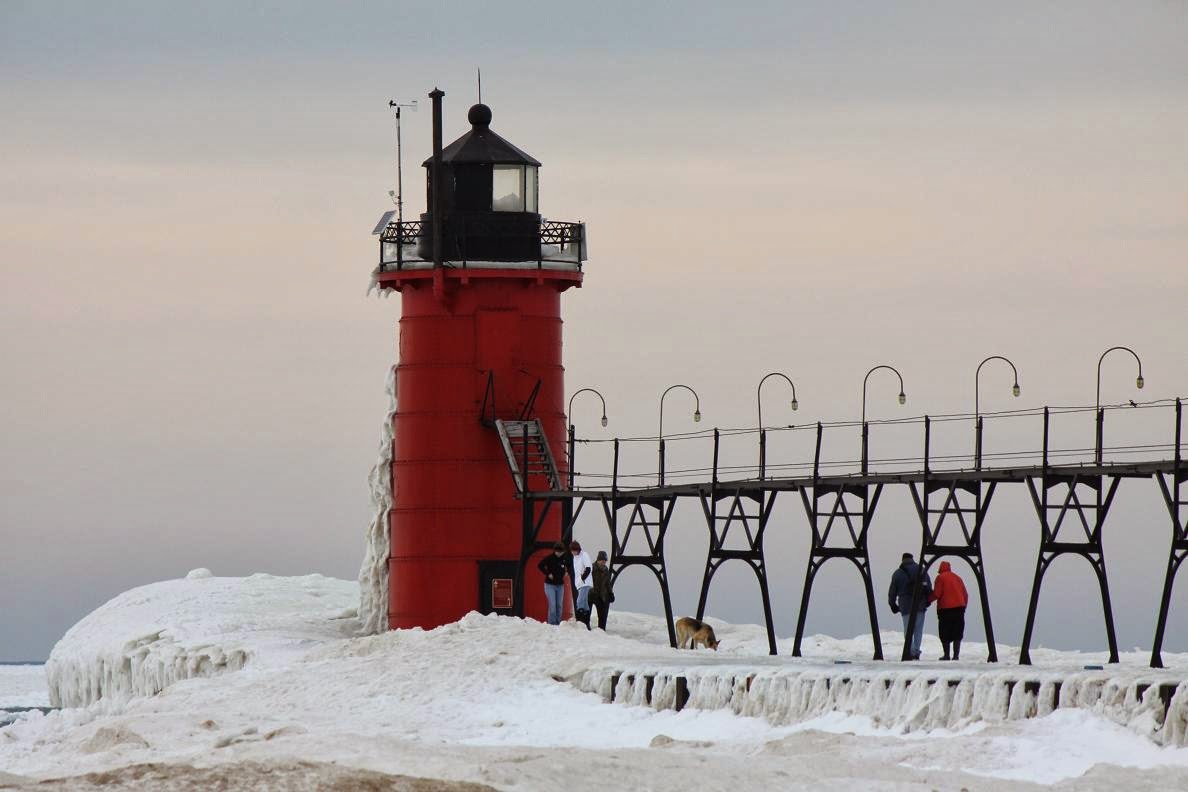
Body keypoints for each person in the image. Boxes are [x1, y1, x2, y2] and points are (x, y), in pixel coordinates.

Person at [888, 552, 931, 660]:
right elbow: (928, 586)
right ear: (912, 559)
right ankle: (916, 651)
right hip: (920, 604)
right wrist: (928, 600)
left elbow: (892, 592)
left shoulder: (897, 573)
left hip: (905, 605)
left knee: (908, 631)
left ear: (902, 560)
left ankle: (910, 651)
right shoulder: (921, 570)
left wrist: (892, 604)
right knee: (918, 629)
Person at [929, 560, 969, 660]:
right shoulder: (958, 578)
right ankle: (956, 656)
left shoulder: (940, 578)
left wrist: (928, 600)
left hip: (945, 609)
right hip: (959, 608)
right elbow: (965, 595)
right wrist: (963, 607)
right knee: (957, 632)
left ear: (940, 568)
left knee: (944, 632)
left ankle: (946, 655)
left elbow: (937, 594)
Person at [537, 541, 569, 626]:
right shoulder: (549, 558)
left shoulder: (564, 558)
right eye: (557, 552)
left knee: (559, 605)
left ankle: (558, 623)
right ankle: (552, 624)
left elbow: (570, 566)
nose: (559, 554)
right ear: (554, 551)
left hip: (560, 585)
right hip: (549, 585)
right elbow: (540, 565)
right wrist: (548, 573)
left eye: (561, 552)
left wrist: (567, 572)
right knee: (553, 605)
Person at [569, 540, 594, 629]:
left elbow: (588, 568)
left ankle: (580, 622)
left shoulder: (584, 555)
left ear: (578, 549)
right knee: (584, 604)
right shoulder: (574, 558)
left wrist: (582, 579)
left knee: (579, 602)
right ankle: (586, 624)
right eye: (572, 550)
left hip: (585, 583)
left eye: (574, 550)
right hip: (579, 584)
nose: (573, 552)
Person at [589, 550, 615, 630]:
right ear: (598, 560)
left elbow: (607, 583)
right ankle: (586, 629)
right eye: (602, 561)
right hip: (591, 594)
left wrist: (610, 593)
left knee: (602, 616)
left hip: (602, 595)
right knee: (586, 614)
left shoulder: (606, 570)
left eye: (605, 561)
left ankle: (601, 630)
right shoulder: (591, 568)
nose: (603, 563)